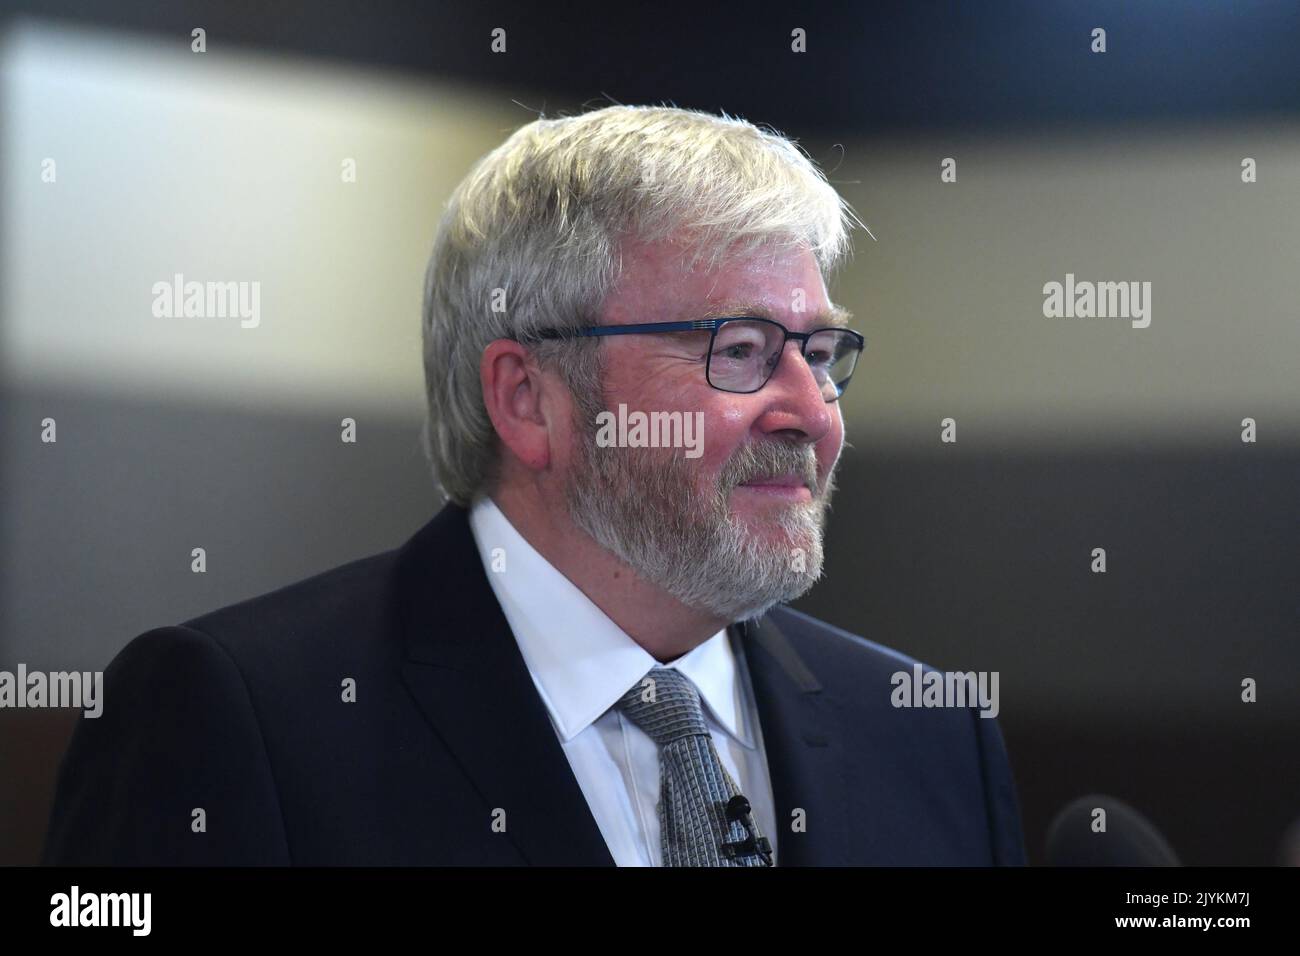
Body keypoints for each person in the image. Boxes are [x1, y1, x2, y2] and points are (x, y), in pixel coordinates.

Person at [43, 105, 1026, 866]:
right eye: (740, 349)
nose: (810, 411)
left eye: (820, 352)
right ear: (528, 397)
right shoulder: (240, 717)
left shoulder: (924, 729)